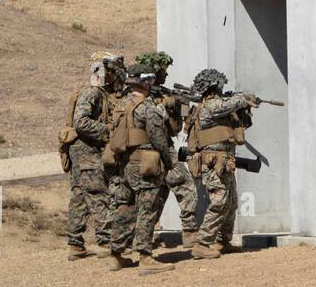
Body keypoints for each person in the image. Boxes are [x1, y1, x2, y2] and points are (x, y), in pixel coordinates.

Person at [106, 63, 175, 275]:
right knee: (148, 207)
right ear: (146, 82)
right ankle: (145, 257)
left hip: (125, 163)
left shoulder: (121, 105)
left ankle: (116, 254)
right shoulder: (148, 108)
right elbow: (158, 139)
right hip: (145, 164)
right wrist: (168, 160)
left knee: (125, 206)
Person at [187, 68, 257, 260]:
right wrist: (243, 98)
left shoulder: (223, 106)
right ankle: (202, 243)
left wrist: (244, 109)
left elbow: (243, 124)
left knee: (231, 202)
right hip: (213, 162)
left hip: (225, 162)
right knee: (219, 202)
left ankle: (222, 240)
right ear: (213, 86)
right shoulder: (209, 106)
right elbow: (221, 106)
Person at [136, 51, 200, 248]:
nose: (166, 75)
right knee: (185, 186)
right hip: (158, 149)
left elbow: (175, 127)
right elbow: (150, 117)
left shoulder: (159, 93)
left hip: (156, 148)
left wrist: (179, 107)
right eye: (163, 71)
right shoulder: (144, 98)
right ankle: (189, 231)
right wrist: (166, 104)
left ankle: (145, 237)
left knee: (159, 193)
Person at [62, 53, 121, 260]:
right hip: (86, 151)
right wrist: (108, 131)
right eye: (112, 71)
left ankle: (75, 243)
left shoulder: (94, 92)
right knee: (98, 193)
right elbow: (81, 123)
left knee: (80, 196)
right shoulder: (93, 93)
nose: (115, 75)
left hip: (80, 151)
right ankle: (105, 241)